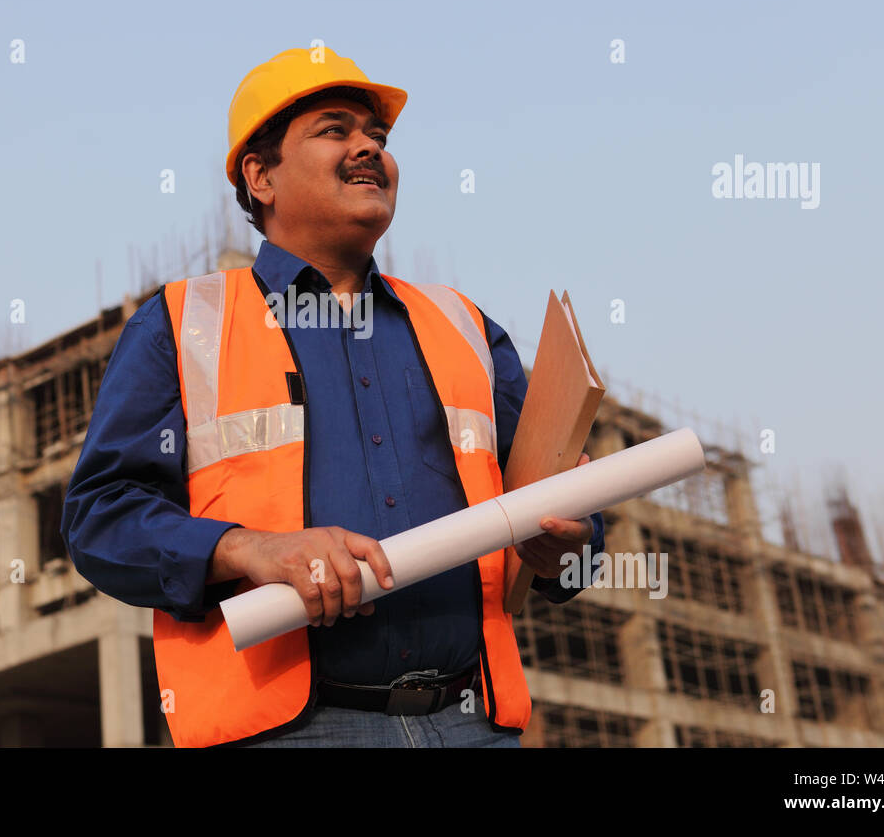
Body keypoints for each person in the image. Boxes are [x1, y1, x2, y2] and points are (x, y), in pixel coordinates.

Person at [62, 47, 605, 748]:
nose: (367, 150)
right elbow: (101, 522)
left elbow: (567, 521)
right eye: (335, 130)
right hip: (289, 732)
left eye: (377, 138)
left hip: (473, 722)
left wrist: (573, 549)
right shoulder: (184, 323)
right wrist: (250, 551)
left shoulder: (462, 326)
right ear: (260, 176)